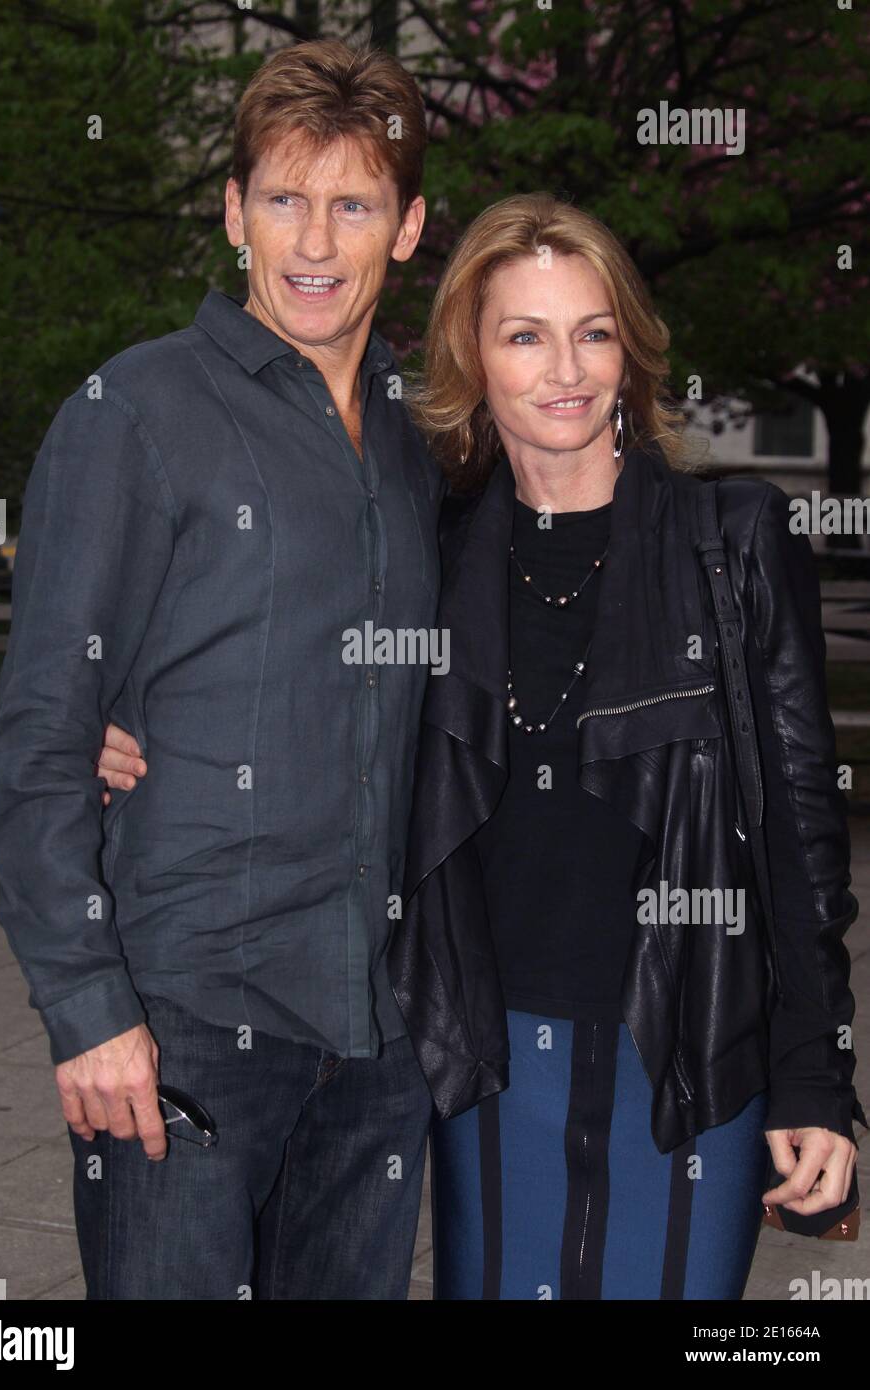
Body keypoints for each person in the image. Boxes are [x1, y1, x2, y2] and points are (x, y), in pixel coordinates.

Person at [99, 195, 866, 1300]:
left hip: (695, 1053)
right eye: (524, 335)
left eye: (591, 331)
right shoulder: (432, 541)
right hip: (485, 1063)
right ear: (473, 355)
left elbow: (798, 838)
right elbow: (288, 674)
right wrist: (120, 716)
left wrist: (814, 1076)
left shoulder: (731, 541)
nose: (564, 367)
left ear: (628, 352)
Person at [0, 40, 440, 1301]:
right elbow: (36, 733)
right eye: (283, 198)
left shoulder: (421, 440)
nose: (313, 237)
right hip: (178, 1021)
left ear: (404, 229)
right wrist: (85, 1010)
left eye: (351, 204)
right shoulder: (132, 413)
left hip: (376, 1030)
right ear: (233, 212)